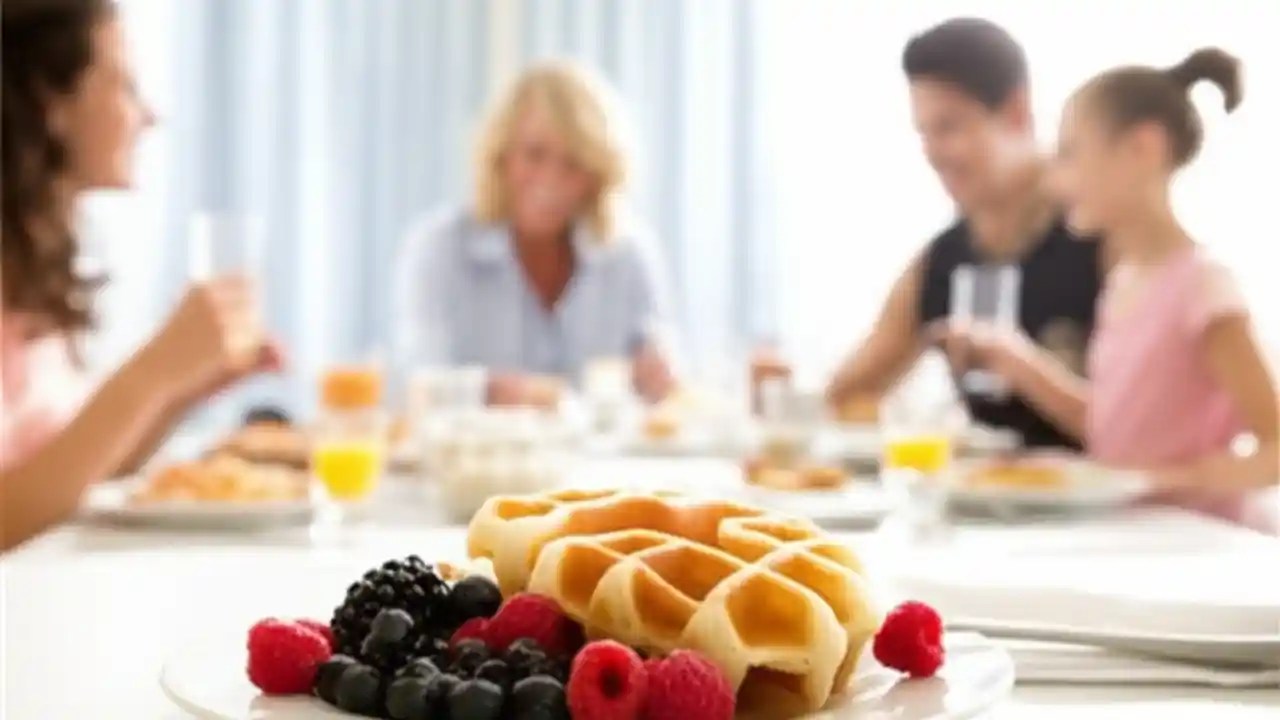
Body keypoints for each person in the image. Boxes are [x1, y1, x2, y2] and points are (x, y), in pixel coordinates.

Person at [944, 49, 1278, 532]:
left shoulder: (1204, 286)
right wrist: (1019, 364)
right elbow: (1116, 427)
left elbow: (1275, 451)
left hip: (1199, 542)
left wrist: (1155, 481)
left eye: (1070, 154)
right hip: (1132, 536)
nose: (1053, 182)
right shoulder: (1124, 279)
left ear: (1143, 148)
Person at [1, 0, 280, 550]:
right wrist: (153, 372)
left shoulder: (28, 270)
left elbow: (68, 476)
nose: (149, 116)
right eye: (125, 86)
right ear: (50, 99)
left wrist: (183, 387)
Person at [825, 18, 1104, 449]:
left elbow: (1152, 430)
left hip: (1117, 492)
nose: (933, 154)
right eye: (924, 133)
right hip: (989, 490)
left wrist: (1025, 368)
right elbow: (847, 395)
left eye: (949, 127)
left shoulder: (1103, 231)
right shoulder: (943, 259)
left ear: (1016, 112)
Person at [394, 62, 676, 406]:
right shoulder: (440, 248)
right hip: (478, 442)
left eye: (573, 163)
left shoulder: (628, 253)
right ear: (502, 156)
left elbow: (665, 375)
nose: (552, 179)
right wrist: (496, 391)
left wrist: (659, 376)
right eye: (534, 155)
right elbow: (418, 383)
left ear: (598, 173)